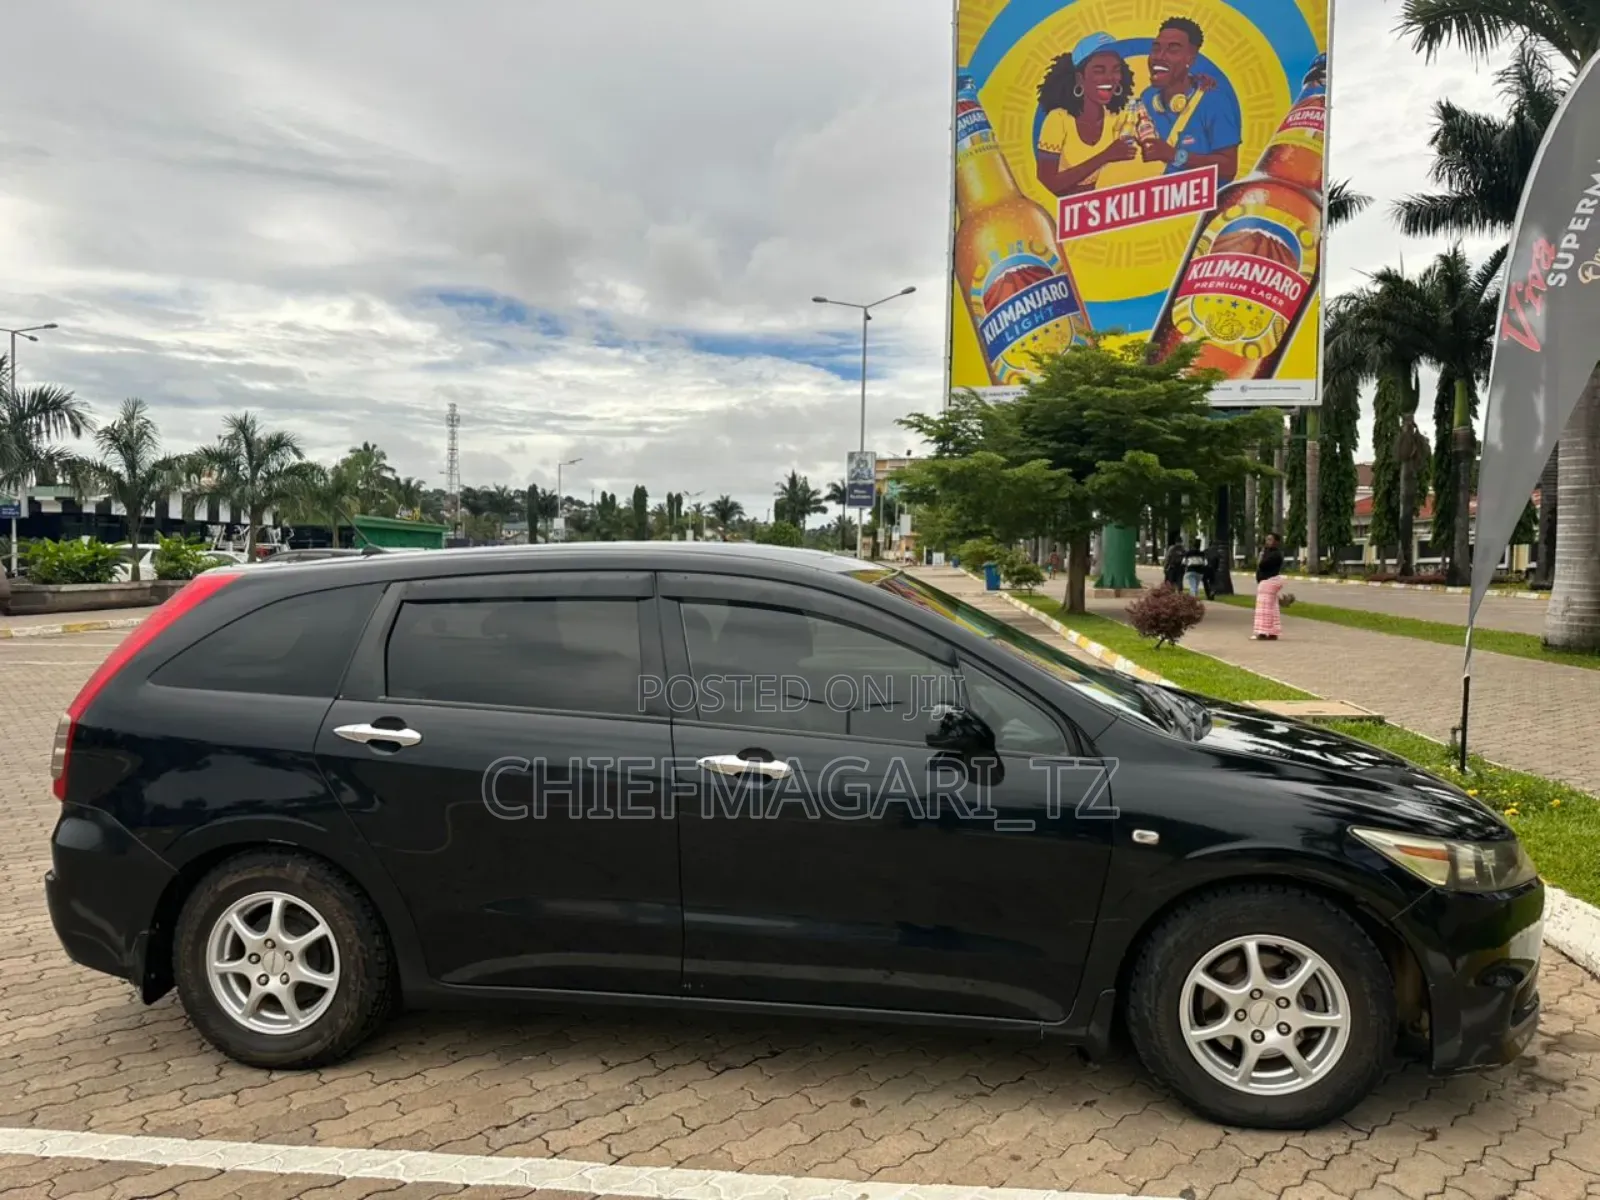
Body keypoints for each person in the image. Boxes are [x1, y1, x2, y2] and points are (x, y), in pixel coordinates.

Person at [1034, 33, 1150, 197]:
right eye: (1099, 70)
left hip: (1095, 207)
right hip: (1061, 210)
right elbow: (1049, 182)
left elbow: (1149, 133)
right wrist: (1106, 156)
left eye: (1115, 70)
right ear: (1080, 78)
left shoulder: (1117, 116)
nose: (1110, 77)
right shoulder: (1058, 119)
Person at [1136, 17, 1242, 186]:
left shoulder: (1214, 101)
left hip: (1202, 207)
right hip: (1160, 202)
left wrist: (1175, 156)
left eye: (1173, 50)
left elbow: (1229, 167)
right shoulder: (1148, 97)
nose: (1159, 57)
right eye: (1156, 48)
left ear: (1190, 60)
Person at [1252, 533, 1286, 640]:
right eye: (1267, 539)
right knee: (1272, 607)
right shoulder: (1268, 552)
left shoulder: (1275, 554)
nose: (1268, 541)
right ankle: (1273, 632)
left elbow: (1262, 565)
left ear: (1276, 542)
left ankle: (1263, 631)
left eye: (1270, 539)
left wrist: (1261, 556)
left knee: (1264, 607)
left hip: (1268, 581)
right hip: (1266, 581)